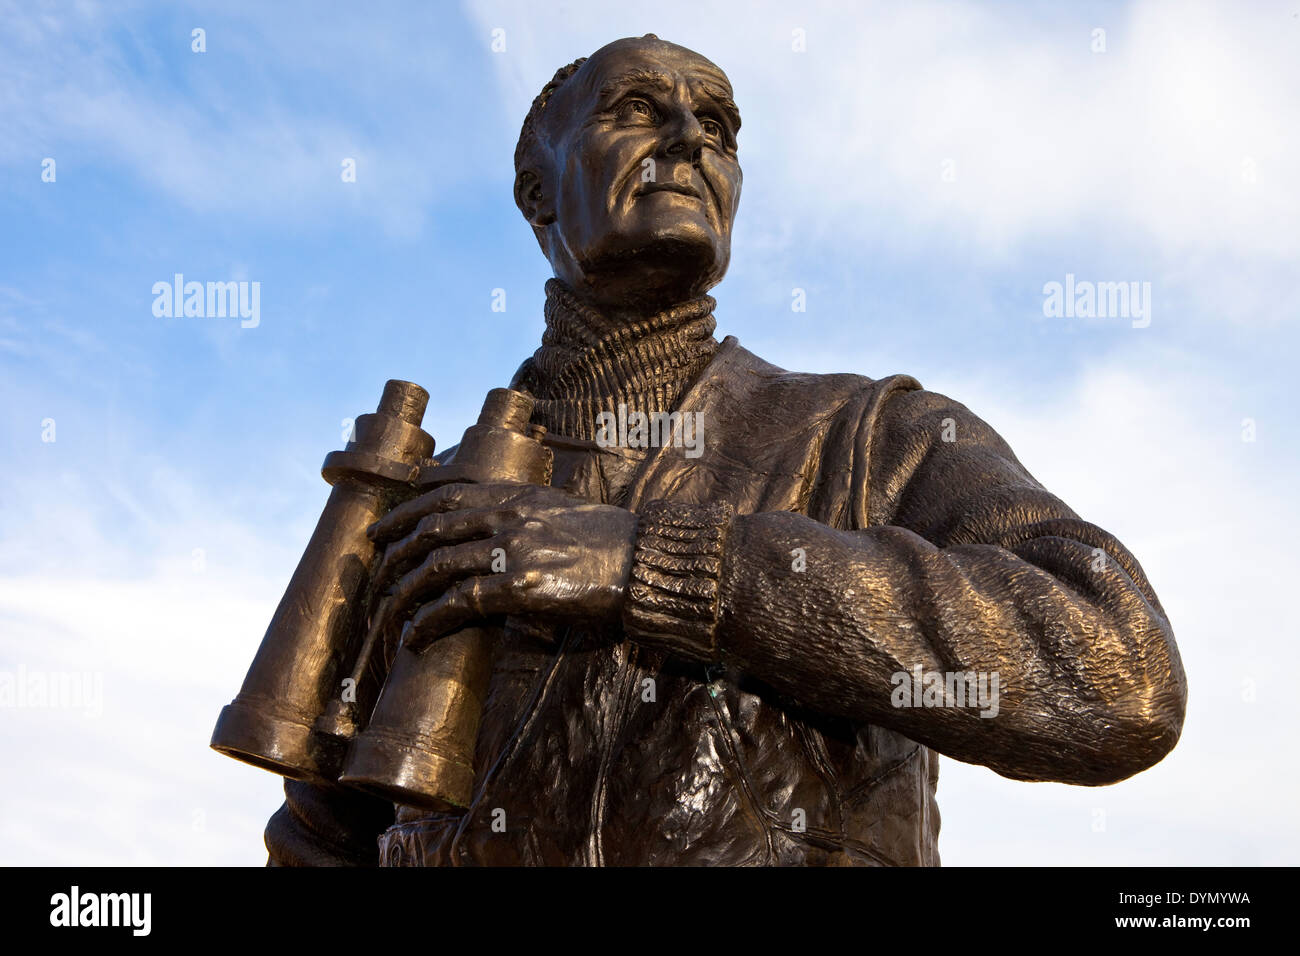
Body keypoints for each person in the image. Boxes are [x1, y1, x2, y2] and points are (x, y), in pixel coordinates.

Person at [265, 34, 1187, 867]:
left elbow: (1123, 674)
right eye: (635, 109)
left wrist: (658, 566)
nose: (688, 139)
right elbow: (321, 843)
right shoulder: (431, 508)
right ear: (537, 190)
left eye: (718, 125)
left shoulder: (871, 437)